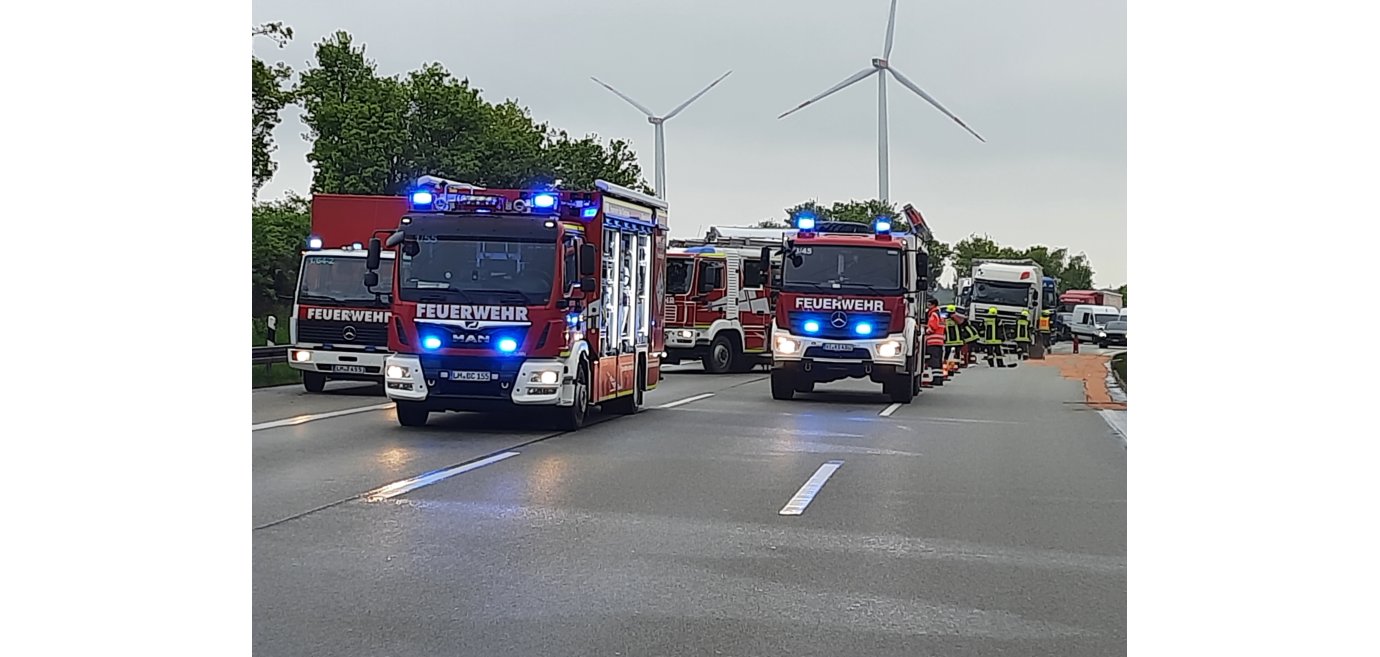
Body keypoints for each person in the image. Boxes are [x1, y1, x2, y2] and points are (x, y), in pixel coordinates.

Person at [924, 300, 947, 385]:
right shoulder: (940, 314)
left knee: (934, 361)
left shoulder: (933, 314)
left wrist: (926, 331)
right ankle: (939, 379)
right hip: (939, 341)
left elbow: (933, 326)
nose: (928, 306)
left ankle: (936, 380)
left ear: (933, 305)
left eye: (929, 304)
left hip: (933, 341)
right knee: (938, 361)